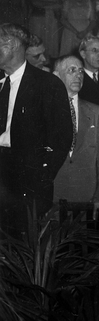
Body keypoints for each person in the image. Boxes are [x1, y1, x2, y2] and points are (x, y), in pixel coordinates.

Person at [0, 23, 73, 237]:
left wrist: (42, 174)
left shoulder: (47, 84)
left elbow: (62, 137)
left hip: (29, 179)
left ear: (10, 45)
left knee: (25, 243)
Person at [51, 55, 99, 222]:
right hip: (51, 199)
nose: (78, 75)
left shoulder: (96, 112)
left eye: (80, 71)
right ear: (56, 76)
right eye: (71, 70)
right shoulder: (44, 110)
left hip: (86, 201)